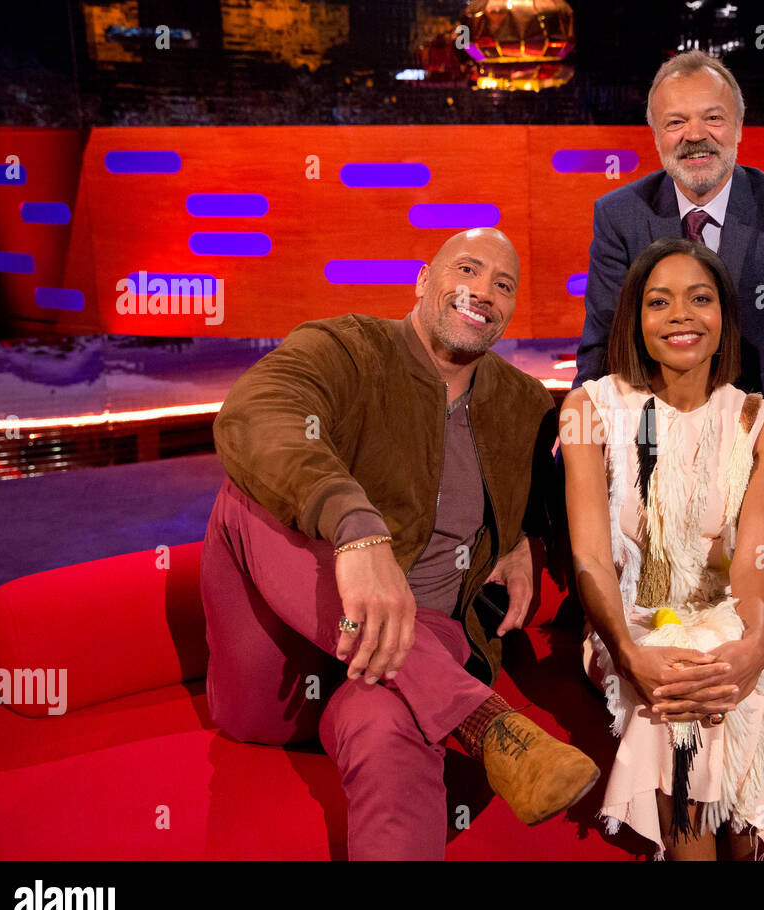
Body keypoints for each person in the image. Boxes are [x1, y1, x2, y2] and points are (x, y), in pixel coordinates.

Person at [201, 227, 599, 860]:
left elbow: (560, 512)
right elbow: (256, 416)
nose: (482, 291)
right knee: (248, 493)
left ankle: (469, 717)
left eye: (502, 285)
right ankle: (484, 720)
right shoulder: (345, 348)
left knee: (386, 725)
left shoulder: (522, 404)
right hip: (280, 670)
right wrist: (357, 531)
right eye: (466, 269)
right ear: (422, 280)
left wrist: (525, 538)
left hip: (413, 659)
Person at [560, 236, 764, 860]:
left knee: (723, 672)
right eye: (659, 301)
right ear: (634, 319)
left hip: (727, 618)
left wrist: (755, 644)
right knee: (686, 677)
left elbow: (756, 564)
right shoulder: (589, 408)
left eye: (700, 299)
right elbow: (591, 557)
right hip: (625, 626)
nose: (680, 315)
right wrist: (625, 653)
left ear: (725, 317)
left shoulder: (759, 422)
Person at [572, 50, 764, 412]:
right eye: (675, 122)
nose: (695, 134)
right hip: (650, 425)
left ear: (739, 126)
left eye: (713, 117)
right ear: (655, 134)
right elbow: (603, 343)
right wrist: (581, 438)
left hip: (760, 420)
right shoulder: (619, 215)